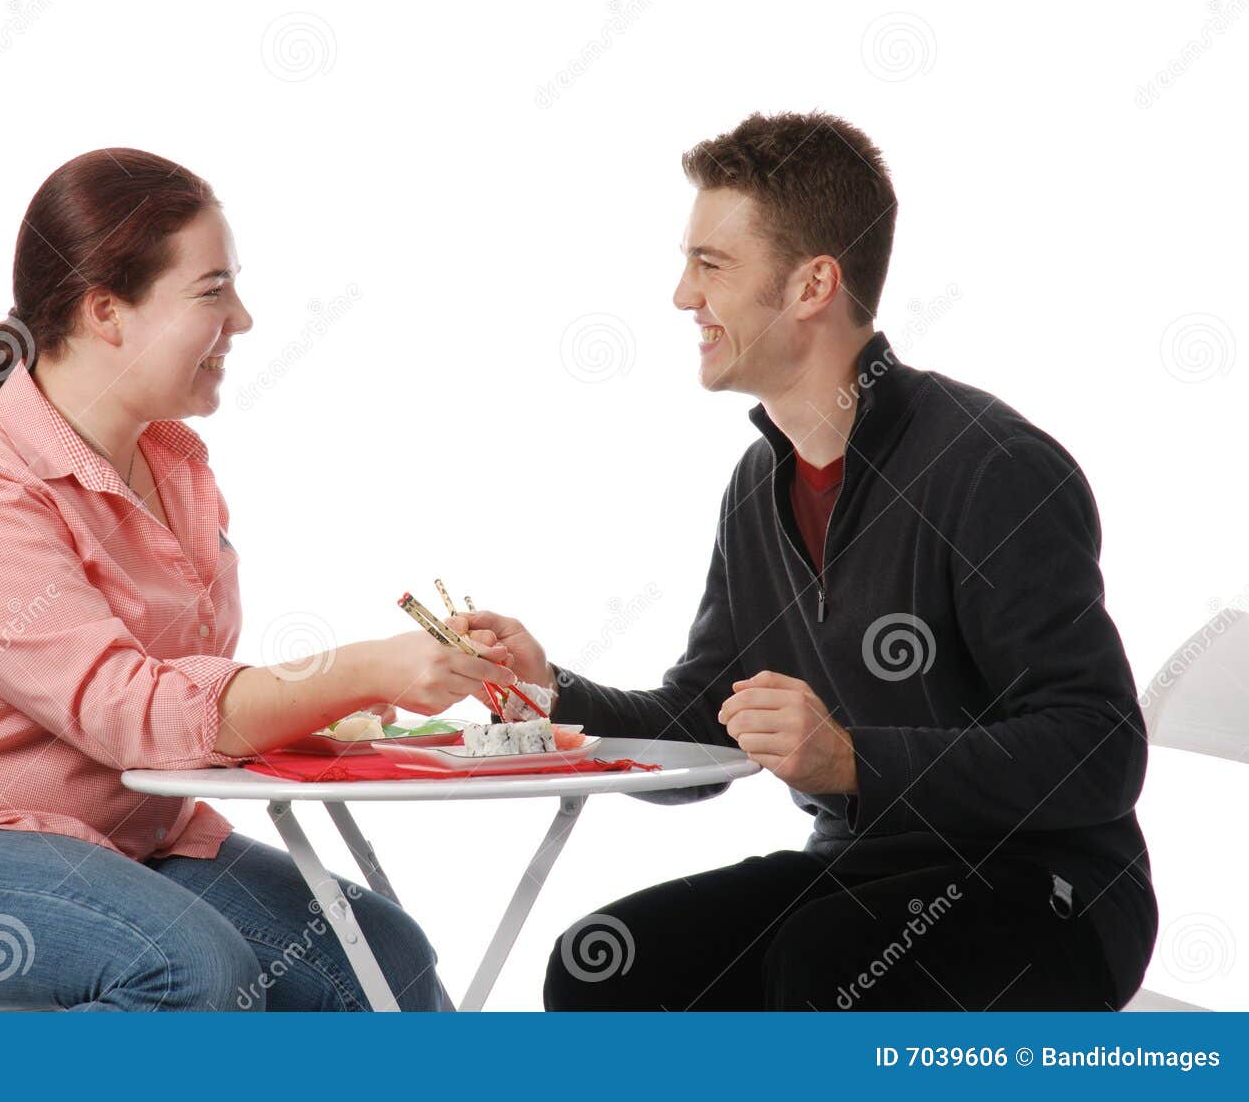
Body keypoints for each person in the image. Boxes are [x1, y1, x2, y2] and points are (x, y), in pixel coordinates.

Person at [452, 112, 1157, 1011]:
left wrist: (855, 758)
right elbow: (708, 719)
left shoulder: (992, 465)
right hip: (866, 873)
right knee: (604, 962)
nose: (681, 295)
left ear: (813, 283)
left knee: (824, 966)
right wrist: (549, 690)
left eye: (711, 264)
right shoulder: (759, 484)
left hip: (1050, 894)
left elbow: (1098, 749)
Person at [0, 148, 519, 1011]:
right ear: (107, 311)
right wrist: (362, 669)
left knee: (385, 964)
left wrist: (367, 694)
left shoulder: (173, 464)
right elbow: (136, 714)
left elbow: (187, 707)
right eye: (213, 290)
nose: (246, 318)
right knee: (193, 971)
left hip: (124, 847)